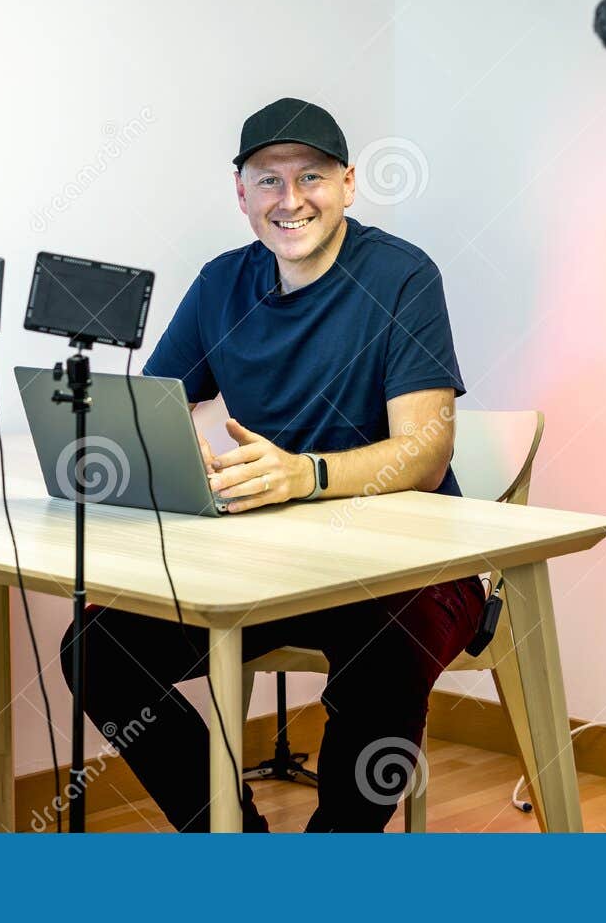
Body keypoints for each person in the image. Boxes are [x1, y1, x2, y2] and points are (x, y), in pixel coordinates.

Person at [60, 97, 484, 831]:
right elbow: (151, 403)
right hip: (273, 565)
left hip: (412, 564)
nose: (290, 200)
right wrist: (167, 448)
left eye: (312, 177)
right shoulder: (222, 283)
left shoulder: (402, 276)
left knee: (385, 648)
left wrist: (306, 475)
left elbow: (426, 450)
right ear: (242, 194)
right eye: (268, 181)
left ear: (349, 183)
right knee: (97, 650)